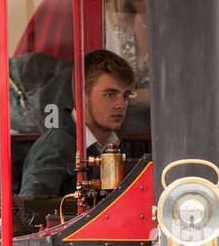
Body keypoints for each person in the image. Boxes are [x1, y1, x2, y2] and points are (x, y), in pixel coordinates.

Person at [19, 50, 135, 199]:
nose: (121, 104)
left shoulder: (118, 147)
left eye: (125, 96)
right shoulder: (54, 146)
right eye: (110, 95)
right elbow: (30, 212)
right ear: (82, 96)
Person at [105, 0, 149, 129]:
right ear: (126, 1)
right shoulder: (116, 27)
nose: (147, 4)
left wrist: (132, 96)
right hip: (124, 126)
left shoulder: (175, 30)